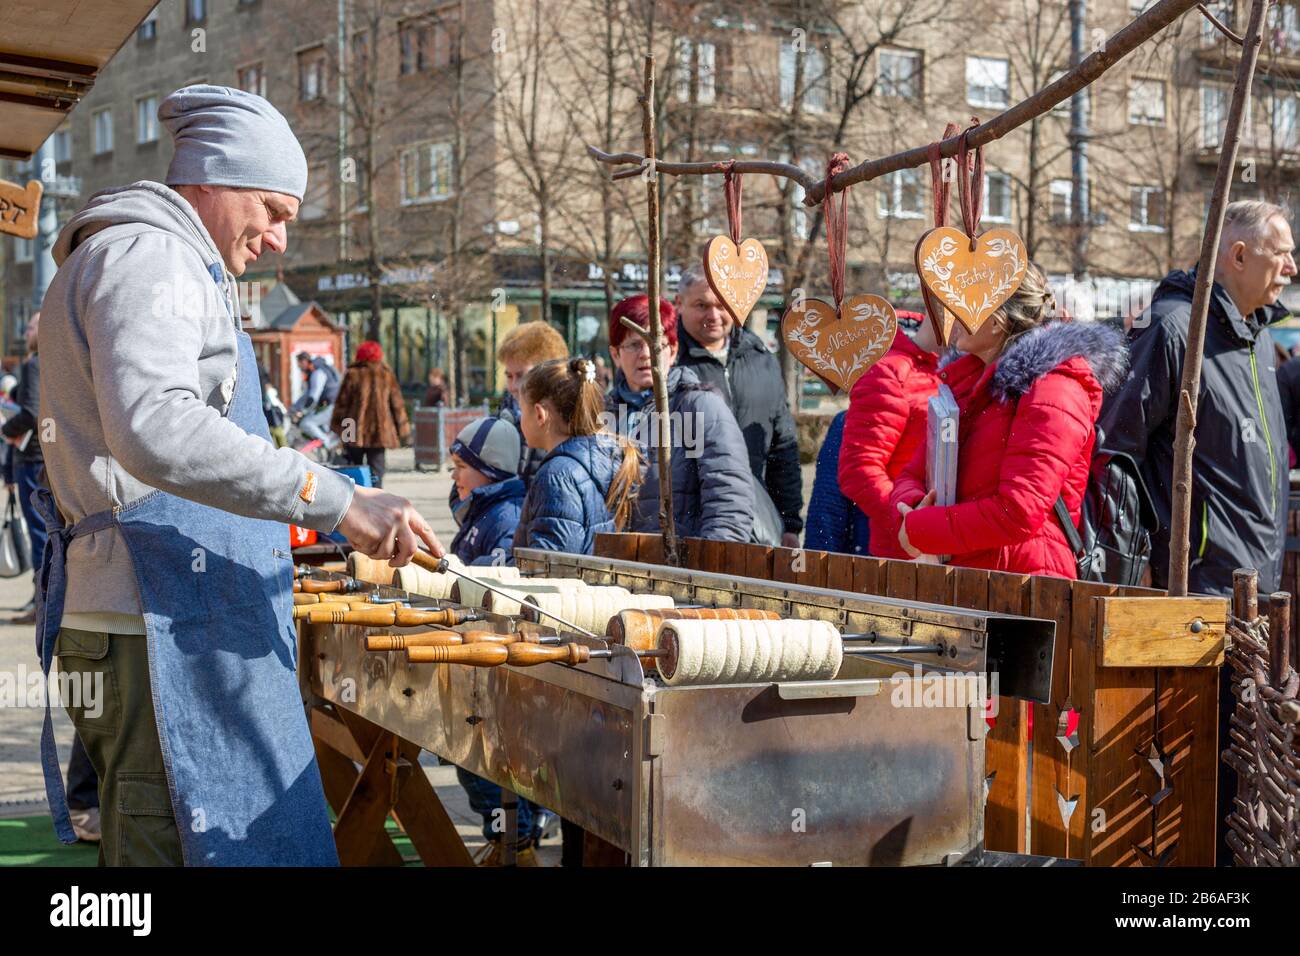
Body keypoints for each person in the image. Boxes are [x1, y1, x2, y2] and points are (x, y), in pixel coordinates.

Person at [37, 84, 444, 866]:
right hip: (151, 623)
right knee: (172, 848)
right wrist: (336, 500)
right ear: (214, 180)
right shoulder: (149, 253)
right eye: (273, 209)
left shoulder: (148, 252)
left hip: (151, 617)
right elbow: (154, 427)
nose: (280, 238)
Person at [1099, 200, 1294, 597]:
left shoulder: (1260, 337)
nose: (1292, 268)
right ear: (1239, 256)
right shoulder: (1173, 329)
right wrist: (1133, 559)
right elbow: (1114, 450)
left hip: (1253, 587)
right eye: (1282, 254)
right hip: (1192, 590)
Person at [891, 264, 1128, 577]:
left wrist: (922, 528)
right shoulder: (968, 385)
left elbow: (1017, 511)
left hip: (1024, 588)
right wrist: (912, 509)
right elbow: (911, 473)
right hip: (974, 580)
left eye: (963, 302)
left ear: (998, 319)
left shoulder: (1055, 388)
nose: (951, 312)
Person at [603, 295, 753, 541]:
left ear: (672, 351)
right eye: (633, 345)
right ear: (615, 354)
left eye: (656, 345)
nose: (645, 355)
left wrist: (711, 571)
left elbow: (728, 499)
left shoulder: (698, 407)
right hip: (615, 566)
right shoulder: (602, 414)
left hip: (681, 567)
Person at [674, 267, 803, 545]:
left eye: (722, 305)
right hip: (691, 525)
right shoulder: (669, 365)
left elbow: (783, 447)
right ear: (679, 304)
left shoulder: (761, 359)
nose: (714, 315)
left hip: (759, 524)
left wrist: (790, 523)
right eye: (701, 305)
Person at [838, 310, 941, 559]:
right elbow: (859, 468)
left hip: (958, 542)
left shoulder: (970, 367)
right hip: (908, 553)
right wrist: (908, 520)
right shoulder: (889, 371)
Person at [514, 357, 641, 557]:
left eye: (522, 410)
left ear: (540, 414)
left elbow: (549, 565)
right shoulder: (606, 457)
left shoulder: (557, 476)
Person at [2, 312, 45, 624]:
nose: (26, 329)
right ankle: (43, 598)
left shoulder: (33, 365)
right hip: (44, 458)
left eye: (31, 325)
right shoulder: (58, 364)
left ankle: (42, 603)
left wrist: (5, 428)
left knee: (39, 534)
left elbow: (29, 413)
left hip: (30, 459)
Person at [496, 321, 569, 487]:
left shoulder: (567, 427)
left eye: (521, 376)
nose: (513, 386)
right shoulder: (501, 420)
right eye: (509, 376)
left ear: (550, 374)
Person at [330, 340, 410, 488]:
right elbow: (397, 404)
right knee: (377, 469)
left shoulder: (353, 374)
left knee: (353, 468)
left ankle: (356, 499)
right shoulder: (386, 374)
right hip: (380, 429)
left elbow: (342, 404)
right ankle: (377, 497)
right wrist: (402, 429)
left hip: (352, 428)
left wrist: (337, 427)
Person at [448, 417, 526, 566]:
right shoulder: (481, 507)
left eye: (461, 466)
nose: (453, 475)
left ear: (490, 470)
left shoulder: (507, 521)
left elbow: (497, 581)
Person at [804, 410, 871, 555]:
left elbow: (826, 512)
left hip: (861, 565)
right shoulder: (928, 419)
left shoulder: (850, 422)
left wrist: (813, 569)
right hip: (919, 566)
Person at [290, 350, 341, 449]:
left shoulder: (317, 373)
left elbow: (313, 396)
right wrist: (294, 407)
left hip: (331, 406)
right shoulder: (316, 371)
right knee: (319, 425)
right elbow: (306, 395)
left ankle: (327, 444)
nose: (299, 367)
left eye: (299, 364)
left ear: (304, 361)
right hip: (331, 405)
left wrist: (303, 411)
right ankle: (326, 447)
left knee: (306, 423)